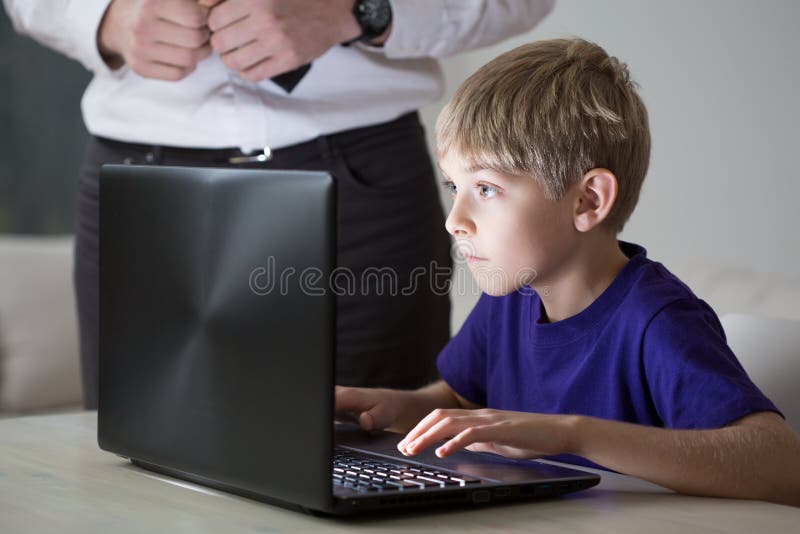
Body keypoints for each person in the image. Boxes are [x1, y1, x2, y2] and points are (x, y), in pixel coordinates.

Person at [2, 0, 555, 408]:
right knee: (134, 461)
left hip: (359, 189)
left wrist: (364, 10)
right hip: (139, 181)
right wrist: (101, 17)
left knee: (378, 459)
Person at [335, 38, 800, 506]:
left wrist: (573, 435)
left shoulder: (657, 320)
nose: (454, 220)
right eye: (455, 186)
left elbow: (780, 464)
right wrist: (394, 407)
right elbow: (463, 403)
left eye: (486, 188)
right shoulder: (509, 299)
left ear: (587, 201)